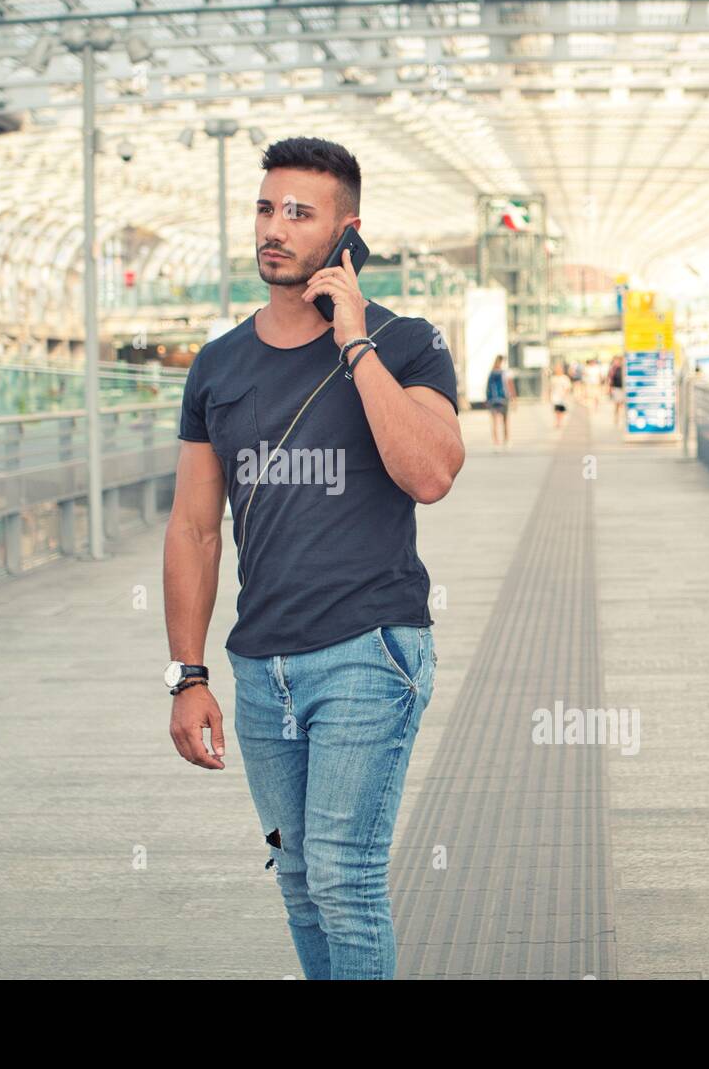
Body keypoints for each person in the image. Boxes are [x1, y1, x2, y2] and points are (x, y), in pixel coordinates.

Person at [163, 136, 463, 981]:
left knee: (343, 875)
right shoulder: (218, 365)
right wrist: (187, 675)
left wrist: (356, 340)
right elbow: (192, 527)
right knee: (297, 877)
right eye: (266, 208)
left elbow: (431, 471)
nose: (275, 228)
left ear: (346, 233)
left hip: (370, 649)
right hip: (262, 666)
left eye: (300, 213)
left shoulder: (408, 342)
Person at [485, 354, 514, 448]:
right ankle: (506, 441)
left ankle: (496, 443)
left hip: (493, 400)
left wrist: (487, 399)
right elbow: (510, 386)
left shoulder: (491, 373)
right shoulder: (505, 372)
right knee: (505, 421)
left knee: (494, 422)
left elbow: (488, 388)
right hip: (503, 399)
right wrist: (514, 398)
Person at [550, 361, 572, 428]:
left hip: (562, 396)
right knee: (556, 410)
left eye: (559, 368)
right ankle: (558, 422)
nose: (557, 370)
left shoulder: (565, 378)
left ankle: (560, 422)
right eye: (556, 368)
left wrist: (565, 394)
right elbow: (551, 387)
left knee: (561, 410)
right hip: (555, 396)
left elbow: (568, 387)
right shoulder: (553, 378)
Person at [607, 354, 624, 423]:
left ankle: (621, 417)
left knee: (622, 404)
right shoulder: (613, 369)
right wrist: (609, 388)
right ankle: (616, 418)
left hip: (623, 389)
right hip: (616, 388)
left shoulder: (624, 368)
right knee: (617, 403)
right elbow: (609, 379)